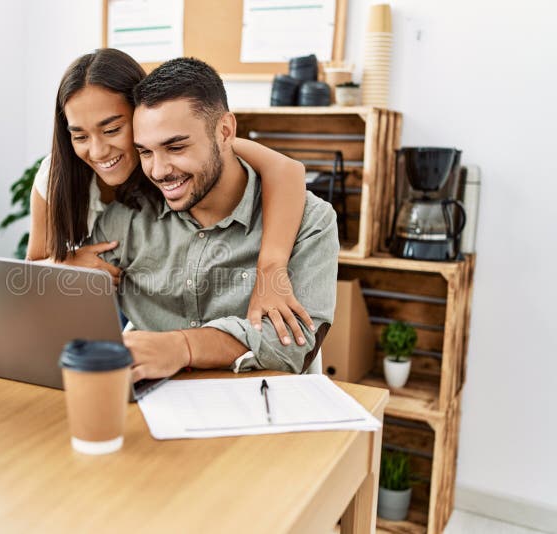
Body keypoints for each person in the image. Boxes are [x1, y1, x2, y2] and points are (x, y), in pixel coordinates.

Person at [26, 48, 313, 346]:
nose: (97, 151)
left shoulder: (177, 149)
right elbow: (31, 268)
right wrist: (64, 266)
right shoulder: (57, 176)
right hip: (114, 288)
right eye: (80, 136)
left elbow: (287, 170)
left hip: (161, 284)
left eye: (112, 129)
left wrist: (271, 268)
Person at [90, 57, 339, 382]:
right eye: (146, 152)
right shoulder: (127, 218)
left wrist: (182, 347)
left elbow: (292, 347)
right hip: (152, 413)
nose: (158, 170)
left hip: (260, 412)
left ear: (225, 131)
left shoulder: (310, 222)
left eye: (176, 147)